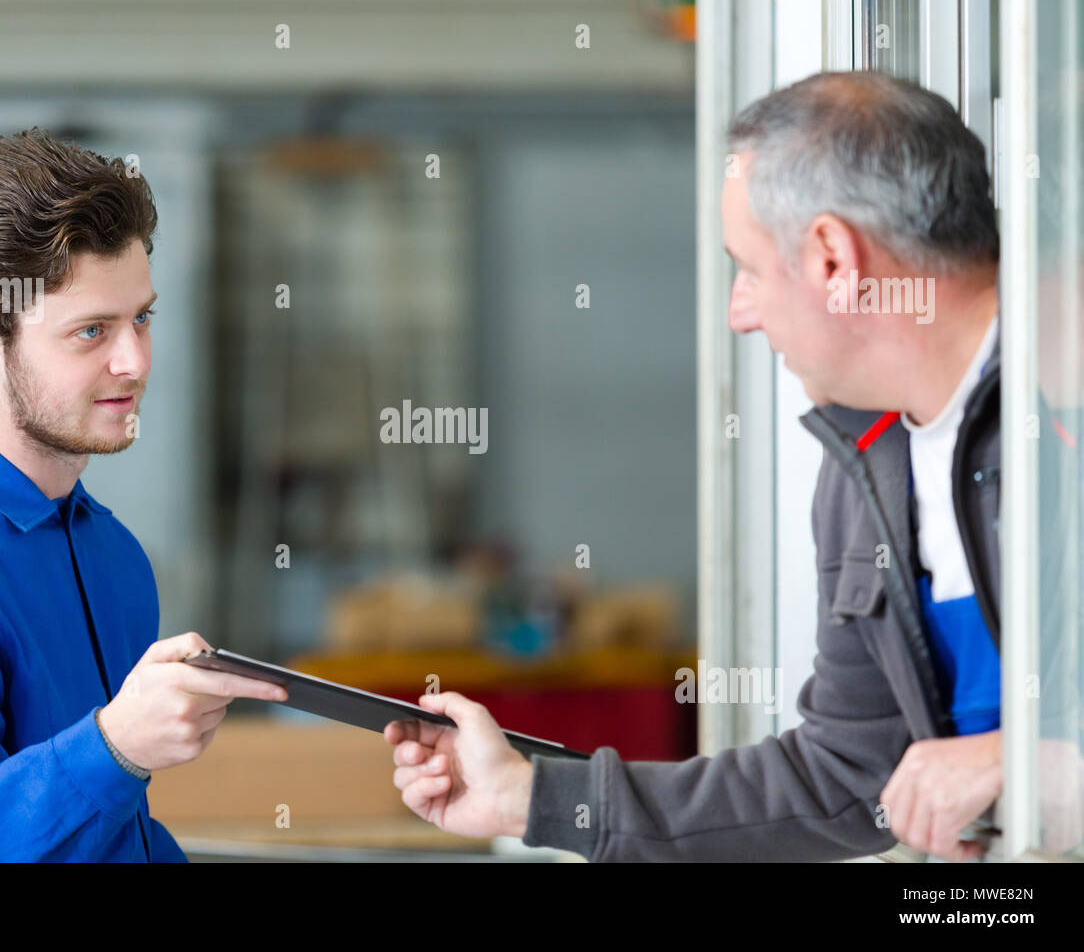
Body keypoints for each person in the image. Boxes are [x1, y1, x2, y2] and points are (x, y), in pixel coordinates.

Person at [387, 71, 1018, 861]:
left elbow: (1005, 765)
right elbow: (847, 778)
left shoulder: (1060, 409)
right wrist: (533, 797)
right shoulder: (868, 466)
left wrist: (1022, 761)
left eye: (748, 269)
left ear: (831, 257)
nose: (739, 312)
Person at [0, 129, 286, 862]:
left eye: (142, 318)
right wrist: (115, 748)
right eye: (91, 331)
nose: (134, 361)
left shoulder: (112, 553)